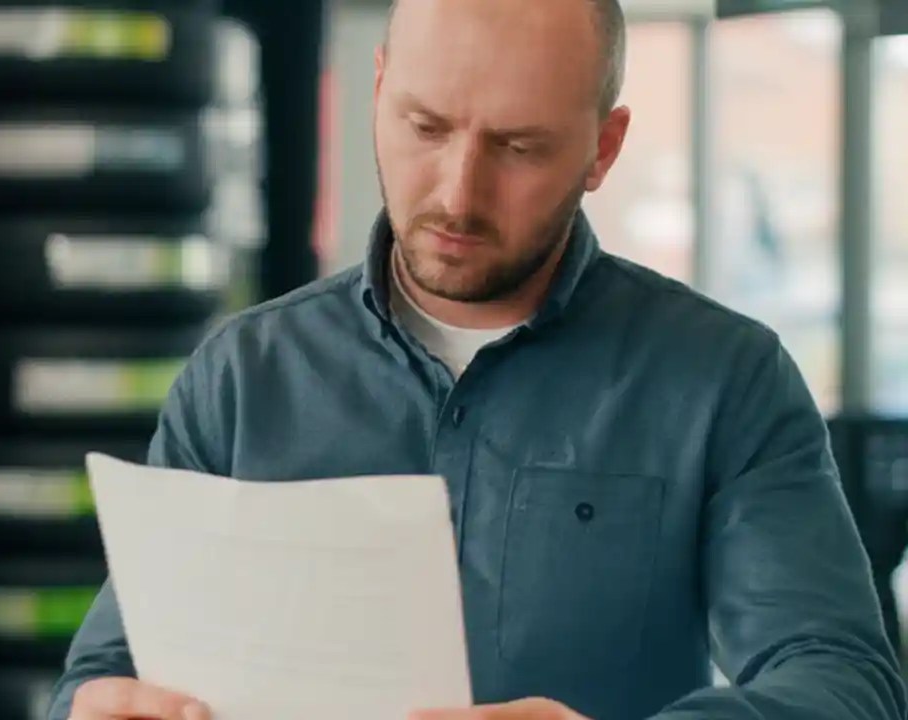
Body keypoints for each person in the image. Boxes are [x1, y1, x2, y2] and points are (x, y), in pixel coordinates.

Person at [48, 0, 907, 718]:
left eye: (519, 147)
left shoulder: (726, 380)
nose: (458, 194)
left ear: (603, 149)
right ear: (379, 88)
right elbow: (108, 671)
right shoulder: (240, 378)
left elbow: (843, 683)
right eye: (425, 127)